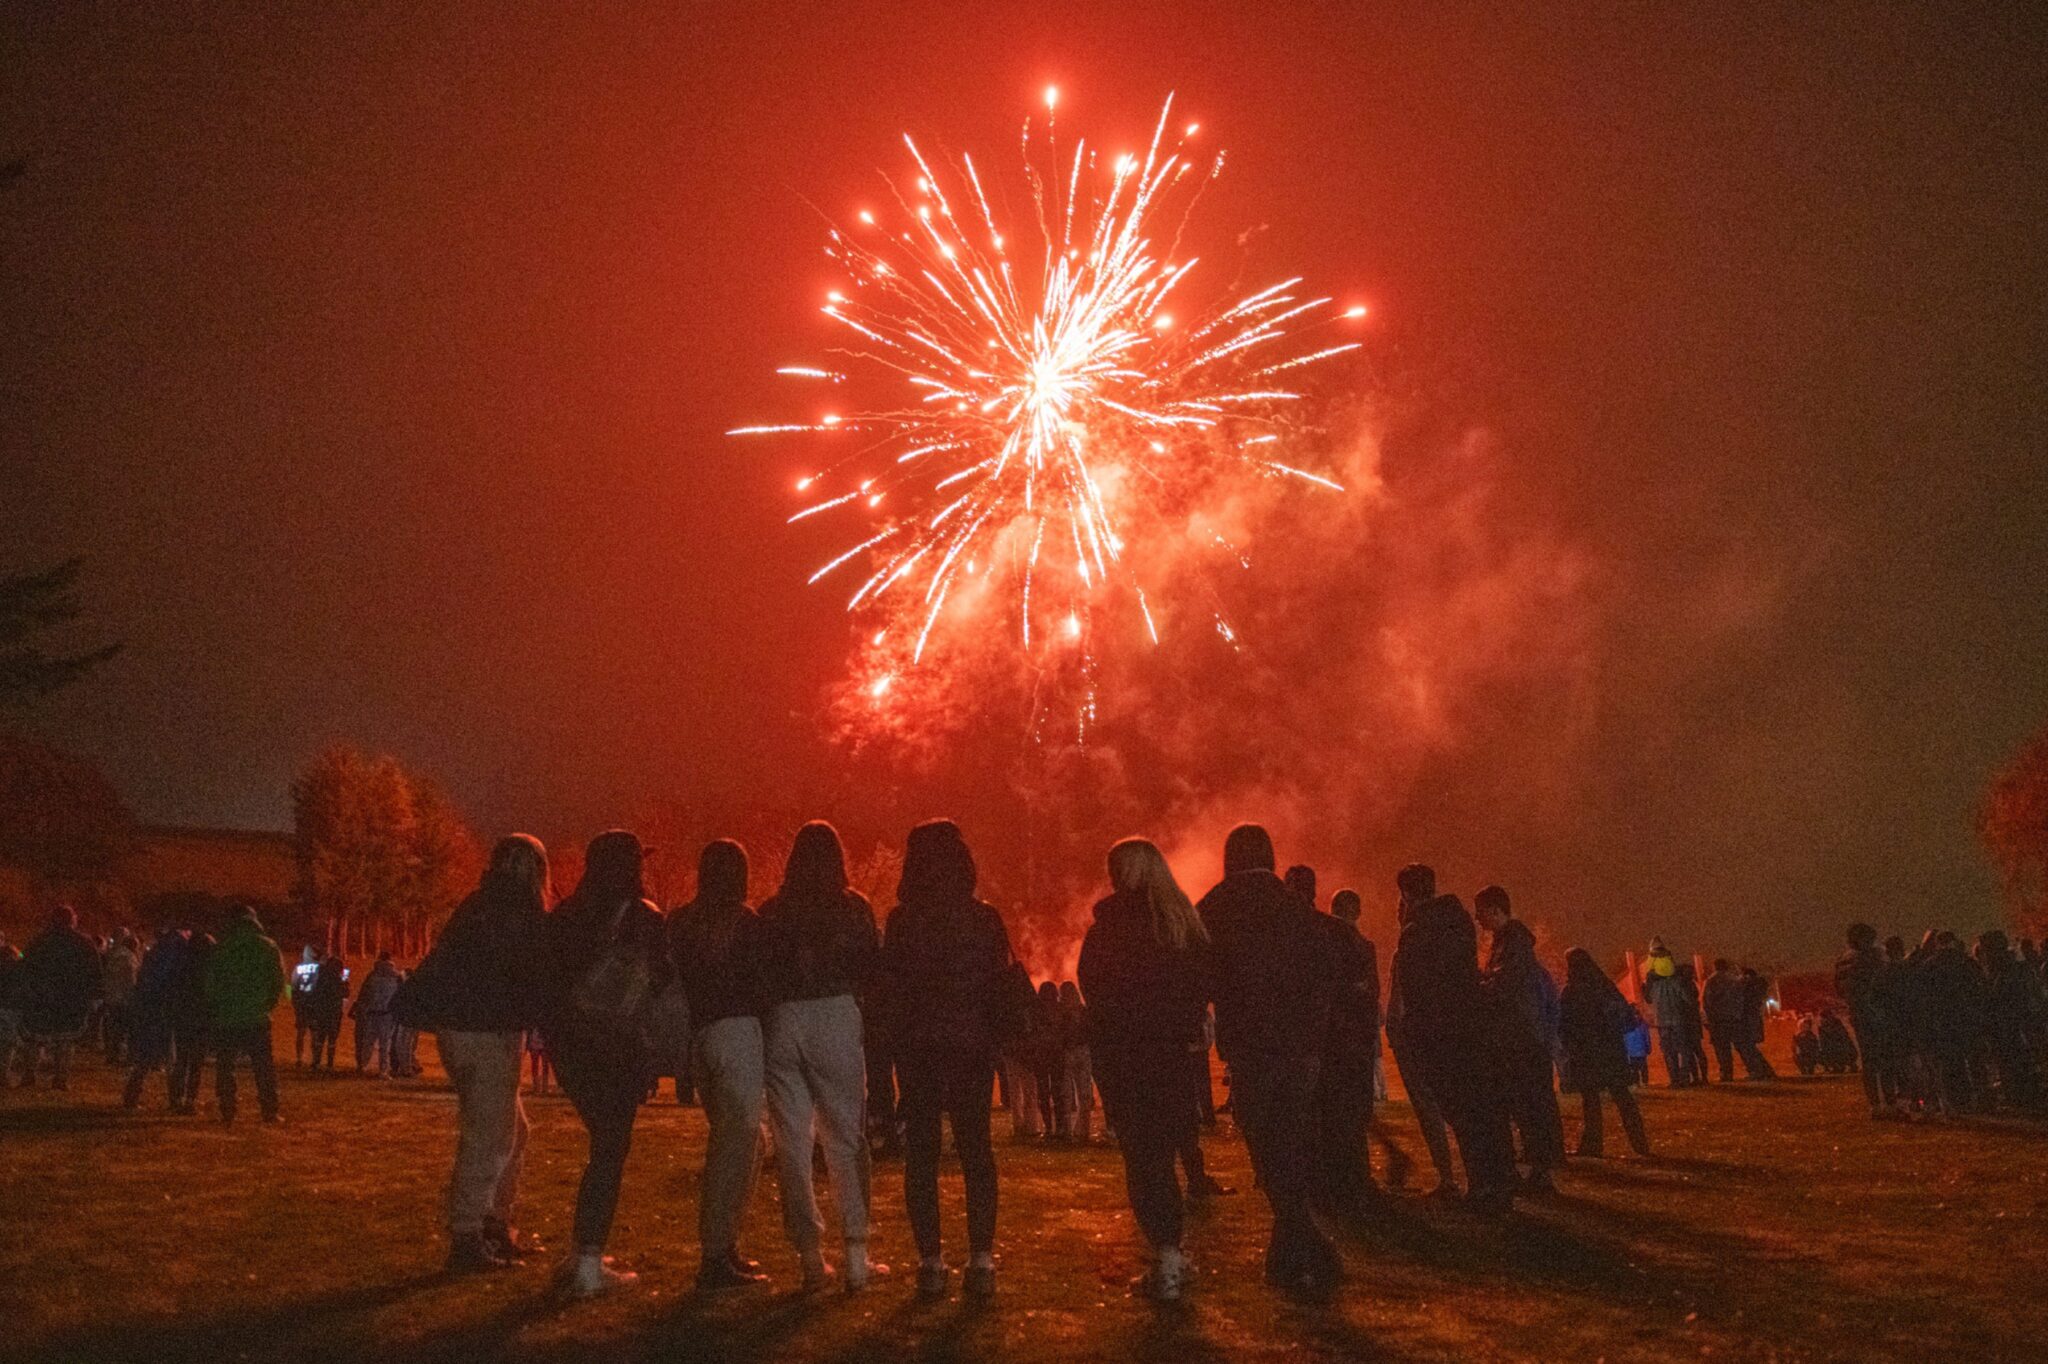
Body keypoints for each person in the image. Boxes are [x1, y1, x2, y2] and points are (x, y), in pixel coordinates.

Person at [1198, 824, 1346, 1299]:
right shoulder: (1293, 906)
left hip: (1251, 1045)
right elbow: (1328, 965)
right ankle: (1291, 1252)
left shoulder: (1216, 905)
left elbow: (1200, 972)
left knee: (1266, 1144)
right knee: (1289, 1138)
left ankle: (1307, 1245)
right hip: (1301, 1046)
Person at [876, 819, 1015, 1300]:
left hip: (918, 1048)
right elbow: (1002, 983)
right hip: (971, 1046)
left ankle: (931, 1263)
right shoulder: (983, 918)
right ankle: (980, 1260)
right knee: (977, 1152)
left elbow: (889, 991)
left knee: (922, 1156)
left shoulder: (901, 920)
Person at [400, 833, 551, 1274]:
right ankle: (468, 1233)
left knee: (513, 1129)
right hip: (485, 1030)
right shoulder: (516, 911)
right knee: (489, 1135)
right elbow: (529, 973)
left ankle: (494, 1222)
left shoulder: (479, 905)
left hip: (464, 1029)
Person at [756, 821, 887, 1293]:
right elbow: (873, 969)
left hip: (783, 1017)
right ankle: (856, 1254)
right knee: (845, 1138)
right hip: (834, 1012)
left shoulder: (772, 912)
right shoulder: (853, 909)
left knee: (792, 1142)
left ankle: (810, 1256)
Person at [1080, 837, 1213, 1302]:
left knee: (1141, 1160)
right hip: (1171, 1056)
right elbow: (1200, 985)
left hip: (1123, 1058)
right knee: (1165, 1157)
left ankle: (1165, 1254)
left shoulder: (1108, 927)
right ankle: (1171, 1256)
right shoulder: (1179, 922)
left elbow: (1092, 990)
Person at [541, 829, 669, 1298]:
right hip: (616, 1046)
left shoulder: (567, 914)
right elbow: (660, 983)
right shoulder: (643, 916)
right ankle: (589, 1262)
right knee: (611, 1151)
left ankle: (581, 1254)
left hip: (571, 1047)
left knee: (603, 1144)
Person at [668, 838, 772, 1293]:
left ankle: (724, 1243)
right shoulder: (745, 923)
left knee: (738, 1140)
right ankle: (716, 1250)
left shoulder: (681, 923)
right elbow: (761, 983)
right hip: (738, 1031)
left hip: (699, 1035)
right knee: (739, 1141)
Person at [1390, 865, 1518, 1217]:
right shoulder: (1457, 921)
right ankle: (1498, 1185)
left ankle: (1483, 1188)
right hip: (1470, 1028)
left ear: (1407, 894)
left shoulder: (1416, 933)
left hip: (1441, 1036)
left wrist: (1415, 1036)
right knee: (1483, 1110)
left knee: (1464, 1116)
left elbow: (1417, 995)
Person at [1474, 885, 1565, 1193]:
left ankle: (1541, 1172)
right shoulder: (1509, 942)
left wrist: (1479, 983)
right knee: (1527, 1104)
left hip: (1522, 1039)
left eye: (1481, 911)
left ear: (1496, 910)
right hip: (1520, 1037)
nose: (1478, 919)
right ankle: (1539, 1170)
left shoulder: (1513, 944)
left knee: (1529, 1105)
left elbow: (1505, 985)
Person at [1383, 874, 1460, 1199]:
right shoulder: (1452, 931)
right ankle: (1473, 1174)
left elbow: (1402, 997)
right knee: (1451, 1104)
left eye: (1401, 902)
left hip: (1416, 1035)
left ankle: (1447, 1176)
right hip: (1443, 1030)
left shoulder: (1412, 940)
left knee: (1428, 1105)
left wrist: (1397, 1030)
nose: (1398, 910)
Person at [1314, 886, 1385, 1217]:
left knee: (1337, 1114)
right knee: (1355, 1114)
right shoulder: (1362, 947)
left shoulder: (1327, 945)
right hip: (1356, 1042)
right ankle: (1355, 1179)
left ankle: (1340, 1181)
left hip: (1337, 1042)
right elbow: (1369, 995)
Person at [1557, 949, 1650, 1157]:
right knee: (1623, 1098)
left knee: (1591, 1101)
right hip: (1612, 1051)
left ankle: (1593, 1144)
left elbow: (1564, 1026)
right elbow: (1624, 1016)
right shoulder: (1605, 986)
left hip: (1587, 1053)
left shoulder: (1572, 991)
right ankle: (1640, 1143)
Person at [204, 903, 287, 1125]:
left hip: (227, 1017)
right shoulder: (268, 947)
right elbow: (278, 981)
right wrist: (266, 1005)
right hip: (257, 1017)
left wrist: (219, 1006)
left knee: (226, 1065)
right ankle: (269, 1110)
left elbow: (211, 983)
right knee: (263, 1067)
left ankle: (228, 1108)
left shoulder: (222, 948)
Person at [17, 905, 101, 1089]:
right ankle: (60, 1079)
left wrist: (27, 991)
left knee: (36, 1038)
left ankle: (29, 1076)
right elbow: (94, 971)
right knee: (65, 1040)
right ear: (72, 920)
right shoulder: (83, 943)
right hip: (71, 999)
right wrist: (94, 995)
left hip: (42, 997)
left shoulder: (39, 940)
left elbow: (25, 966)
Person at [1835, 923, 1902, 1116]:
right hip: (1880, 1014)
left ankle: (1874, 1105)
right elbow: (1887, 985)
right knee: (1886, 1058)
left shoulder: (1842, 962)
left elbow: (1840, 990)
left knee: (1869, 1061)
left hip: (1858, 1015)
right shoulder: (1874, 959)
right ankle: (1890, 1103)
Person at [122, 927, 188, 1110]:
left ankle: (131, 1095)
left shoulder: (154, 955)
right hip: (167, 1010)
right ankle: (176, 1099)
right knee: (171, 1057)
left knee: (146, 1056)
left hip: (150, 1009)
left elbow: (143, 982)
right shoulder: (178, 957)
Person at [168, 931, 214, 1113]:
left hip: (182, 1018)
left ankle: (176, 1098)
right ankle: (190, 1100)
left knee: (181, 1060)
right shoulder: (208, 969)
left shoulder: (181, 965)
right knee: (196, 1063)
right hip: (200, 1019)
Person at [352, 952, 403, 1075]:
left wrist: (361, 1008)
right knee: (385, 1044)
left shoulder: (372, 975)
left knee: (368, 1041)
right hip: (387, 1015)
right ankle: (383, 1070)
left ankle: (363, 1066)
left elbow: (364, 995)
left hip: (372, 1013)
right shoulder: (396, 976)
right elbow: (400, 997)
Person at [1701, 959, 1747, 1082]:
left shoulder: (1711, 981)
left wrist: (1707, 1019)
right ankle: (1752, 1069)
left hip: (1718, 1020)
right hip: (1733, 1018)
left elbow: (1706, 1001)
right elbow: (1740, 998)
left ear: (1714, 967)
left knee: (1722, 1049)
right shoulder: (1734, 980)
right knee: (1741, 1046)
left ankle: (1726, 1073)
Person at [101, 929, 140, 1065]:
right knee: (128, 1029)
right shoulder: (129, 958)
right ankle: (128, 1057)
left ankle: (112, 1055)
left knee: (115, 1028)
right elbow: (131, 980)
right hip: (124, 999)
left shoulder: (114, 956)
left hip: (113, 997)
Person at [307, 953, 347, 1070]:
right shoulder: (338, 980)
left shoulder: (321, 977)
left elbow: (315, 994)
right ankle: (329, 1064)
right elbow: (345, 994)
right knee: (331, 1039)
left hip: (322, 1012)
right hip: (333, 1013)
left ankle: (317, 1062)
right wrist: (345, 983)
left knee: (320, 1038)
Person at [1736, 967, 1777, 1079]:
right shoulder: (1758, 986)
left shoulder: (1750, 986)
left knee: (1746, 1047)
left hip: (1747, 1021)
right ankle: (1765, 1071)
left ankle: (1757, 1071)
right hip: (1753, 1020)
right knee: (1750, 1048)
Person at [0, 940, 24, 1086]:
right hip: (10, 1008)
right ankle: (3, 1074)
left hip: (7, 1007)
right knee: (8, 1043)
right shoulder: (18, 969)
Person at [291, 945, 320, 1066]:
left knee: (300, 1033)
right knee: (314, 1033)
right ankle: (314, 1059)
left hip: (301, 1004)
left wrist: (293, 1001)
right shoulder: (318, 967)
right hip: (313, 1004)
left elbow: (292, 986)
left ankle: (299, 1058)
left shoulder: (298, 968)